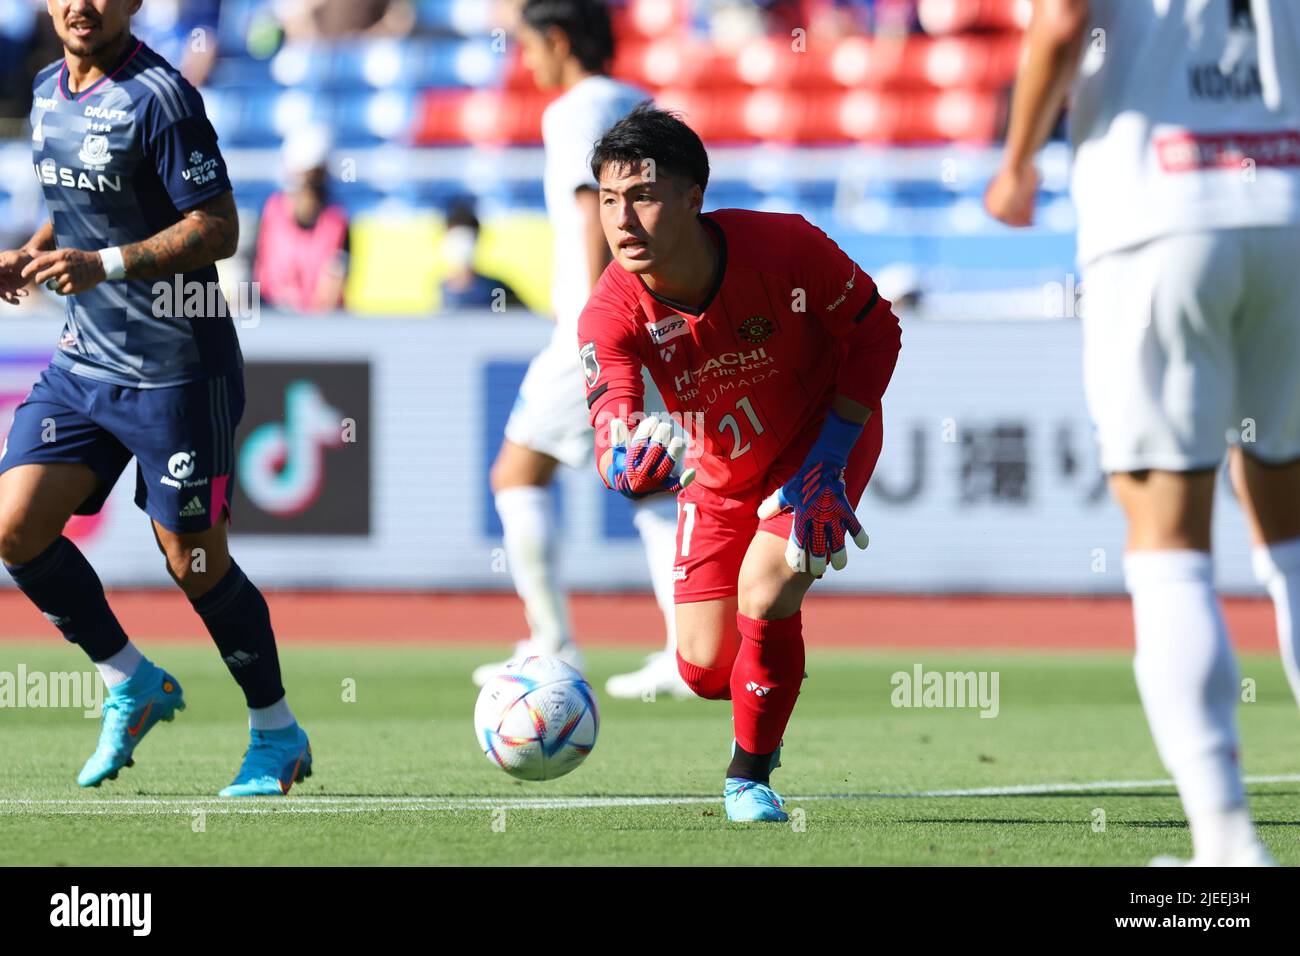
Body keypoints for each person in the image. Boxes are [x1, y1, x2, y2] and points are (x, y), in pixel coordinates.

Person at [985, 0, 1300, 865]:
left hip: (1161, 212)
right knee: (1292, 530)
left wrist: (1015, 165)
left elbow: (1058, 24)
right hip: (1288, 209)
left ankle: (1229, 844)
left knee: (1167, 534)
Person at [0, 0, 311, 796]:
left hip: (178, 367)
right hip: (84, 363)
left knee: (195, 564)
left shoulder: (161, 98)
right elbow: (74, 215)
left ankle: (277, 732)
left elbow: (218, 228)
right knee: (14, 527)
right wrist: (31, 256)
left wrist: (103, 265)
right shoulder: (42, 91)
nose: (81, 5)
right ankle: (130, 679)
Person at [579, 105, 901, 820]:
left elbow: (878, 335)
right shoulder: (608, 312)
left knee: (767, 587)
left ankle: (748, 778)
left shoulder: (786, 247)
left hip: (824, 439)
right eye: (608, 200)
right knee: (702, 668)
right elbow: (613, 424)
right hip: (720, 477)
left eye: (642, 196)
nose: (622, 220)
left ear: (694, 198)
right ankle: (772, 670)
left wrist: (828, 462)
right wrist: (624, 463)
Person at [474, 0, 688, 701]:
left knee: (515, 473)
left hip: (597, 326)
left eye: (531, 45)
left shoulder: (572, 111)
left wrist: (604, 318)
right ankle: (686, 653)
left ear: (559, 39)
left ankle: (552, 647)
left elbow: (594, 209)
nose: (526, 59)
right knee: (655, 481)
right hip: (660, 317)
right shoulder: (639, 101)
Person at [253, 123, 349, 314]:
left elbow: (330, 292)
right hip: (272, 320)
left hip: (319, 329)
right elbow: (258, 280)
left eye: (313, 180)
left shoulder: (337, 222)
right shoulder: (270, 214)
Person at [439, 201, 522, 312]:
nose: (460, 246)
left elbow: (518, 320)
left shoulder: (497, 289)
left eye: (466, 239)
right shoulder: (439, 289)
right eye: (455, 238)